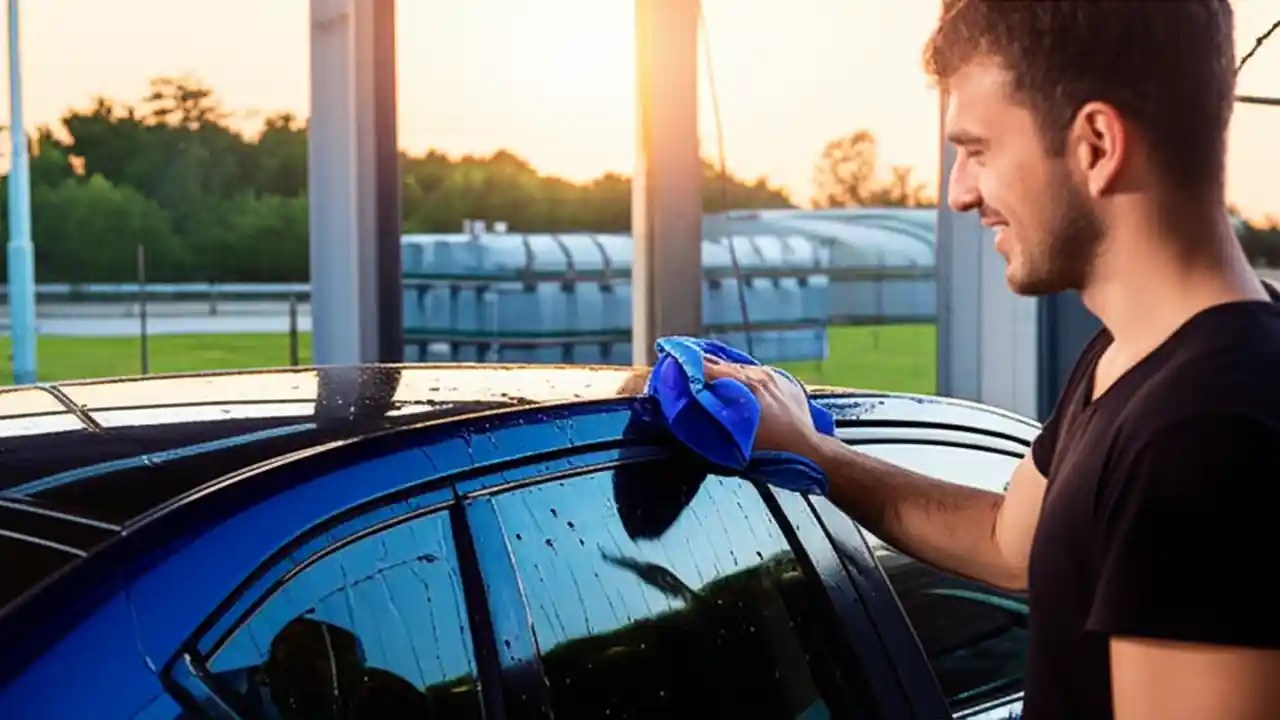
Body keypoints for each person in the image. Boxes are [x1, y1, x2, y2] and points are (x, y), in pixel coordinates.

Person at [704, 1, 1280, 718]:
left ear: (1096, 143)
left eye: (977, 150)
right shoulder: (1137, 359)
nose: (959, 192)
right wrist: (809, 450)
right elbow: (1008, 543)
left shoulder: (1204, 434)